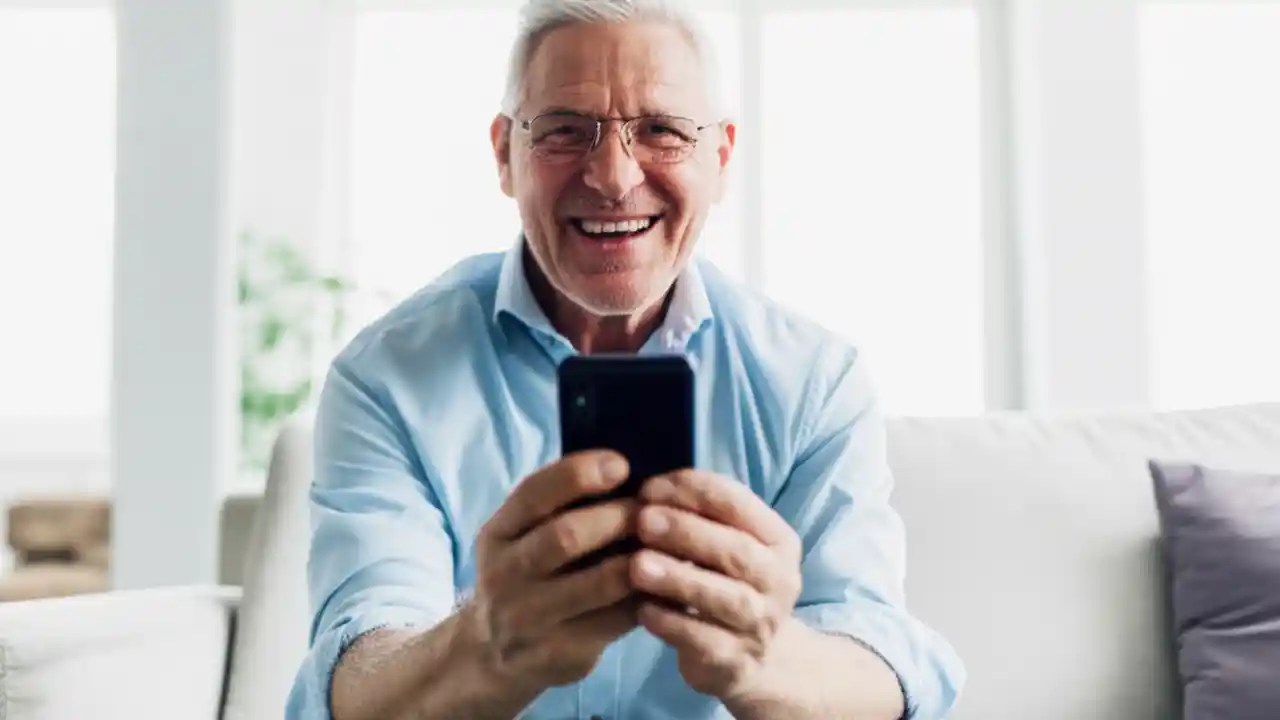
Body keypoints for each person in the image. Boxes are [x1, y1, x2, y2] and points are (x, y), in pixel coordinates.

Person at [286, 1, 964, 718]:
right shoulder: (387, 380)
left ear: (721, 157)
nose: (613, 176)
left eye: (663, 131)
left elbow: (881, 661)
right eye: (565, 131)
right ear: (504, 156)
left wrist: (765, 660)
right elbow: (358, 677)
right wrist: (485, 644)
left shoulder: (812, 384)